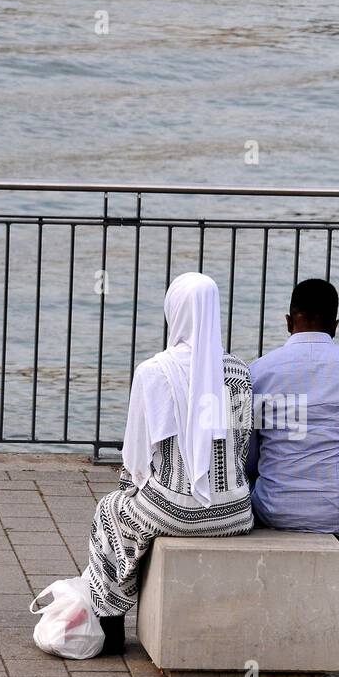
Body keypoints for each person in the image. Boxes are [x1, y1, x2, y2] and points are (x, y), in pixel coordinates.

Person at [84, 272, 255, 655]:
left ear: (174, 312)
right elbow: (242, 449)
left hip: (176, 511)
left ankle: (110, 619)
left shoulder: (154, 371)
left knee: (110, 511)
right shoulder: (240, 372)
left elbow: (136, 458)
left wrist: (134, 487)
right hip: (236, 512)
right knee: (134, 507)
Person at [247, 278, 339, 643]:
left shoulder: (259, 372)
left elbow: (250, 461)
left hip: (273, 508)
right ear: (335, 325)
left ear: (288, 321)